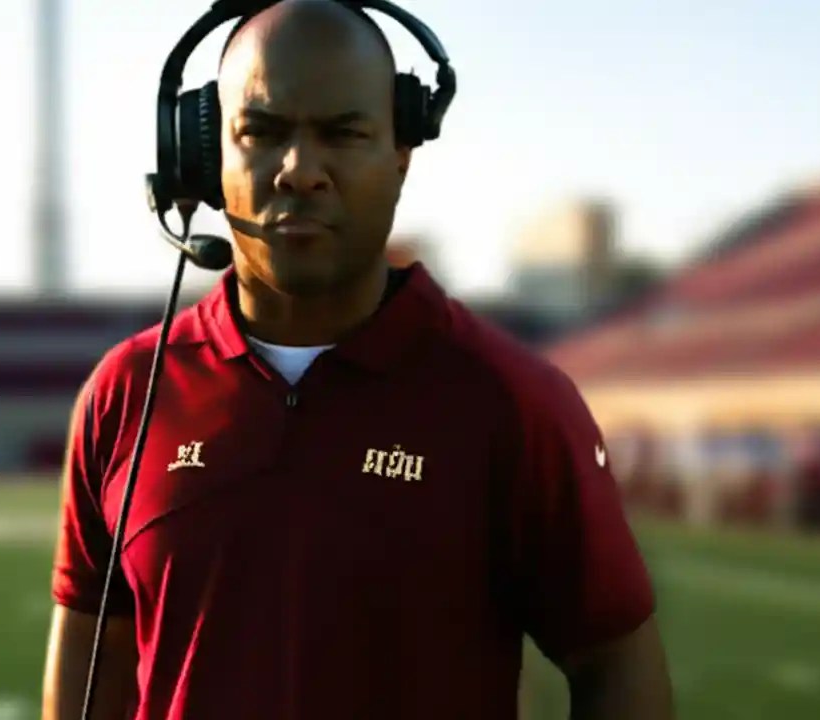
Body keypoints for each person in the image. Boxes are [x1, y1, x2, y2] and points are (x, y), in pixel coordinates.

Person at [41, 1, 674, 718]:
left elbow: (617, 663)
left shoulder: (512, 399)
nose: (300, 171)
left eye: (342, 134)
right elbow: (93, 662)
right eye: (262, 132)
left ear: (400, 153)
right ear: (205, 154)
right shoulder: (128, 393)